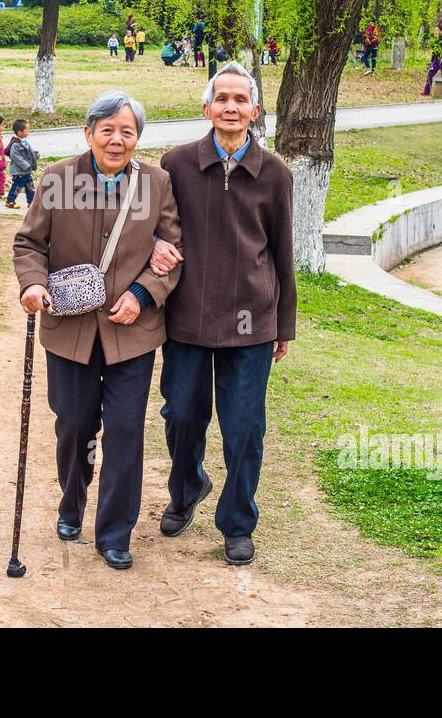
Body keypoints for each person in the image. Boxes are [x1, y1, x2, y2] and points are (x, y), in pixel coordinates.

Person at [13, 91, 183, 570]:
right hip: (70, 329)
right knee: (75, 423)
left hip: (133, 332)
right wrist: (32, 285)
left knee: (126, 431)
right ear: (88, 133)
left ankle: (115, 533)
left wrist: (143, 293)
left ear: (137, 138)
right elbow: (29, 244)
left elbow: (172, 252)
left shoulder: (156, 183)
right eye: (107, 129)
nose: (116, 139)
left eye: (127, 131)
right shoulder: (57, 178)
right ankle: (72, 502)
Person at [147, 61, 295, 566]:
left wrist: (284, 325)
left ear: (255, 111)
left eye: (241, 99)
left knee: (244, 428)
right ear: (206, 108)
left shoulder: (275, 173)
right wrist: (153, 252)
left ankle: (237, 522)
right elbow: (156, 230)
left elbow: (283, 253)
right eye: (222, 98)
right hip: (187, 317)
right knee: (182, 416)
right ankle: (187, 489)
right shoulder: (175, 164)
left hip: (252, 323)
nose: (231, 107)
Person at [4, 119, 39, 209]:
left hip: (26, 171)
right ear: (20, 132)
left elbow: (29, 152)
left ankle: (31, 202)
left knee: (30, 187)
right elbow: (15, 156)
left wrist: (35, 155)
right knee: (17, 187)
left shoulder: (24, 141)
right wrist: (26, 165)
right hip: (19, 171)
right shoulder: (15, 144)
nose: (28, 131)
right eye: (27, 130)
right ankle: (10, 201)